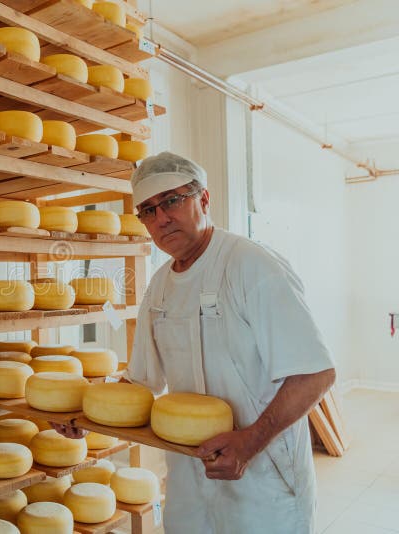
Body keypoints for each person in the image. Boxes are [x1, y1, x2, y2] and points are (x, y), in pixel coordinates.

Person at [57, 152, 336, 533]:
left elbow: (315, 374)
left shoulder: (251, 266)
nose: (161, 219)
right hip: (190, 480)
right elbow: (140, 382)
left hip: (262, 479)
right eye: (148, 211)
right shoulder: (159, 287)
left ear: (204, 199)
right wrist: (86, 419)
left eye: (172, 200)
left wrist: (249, 442)